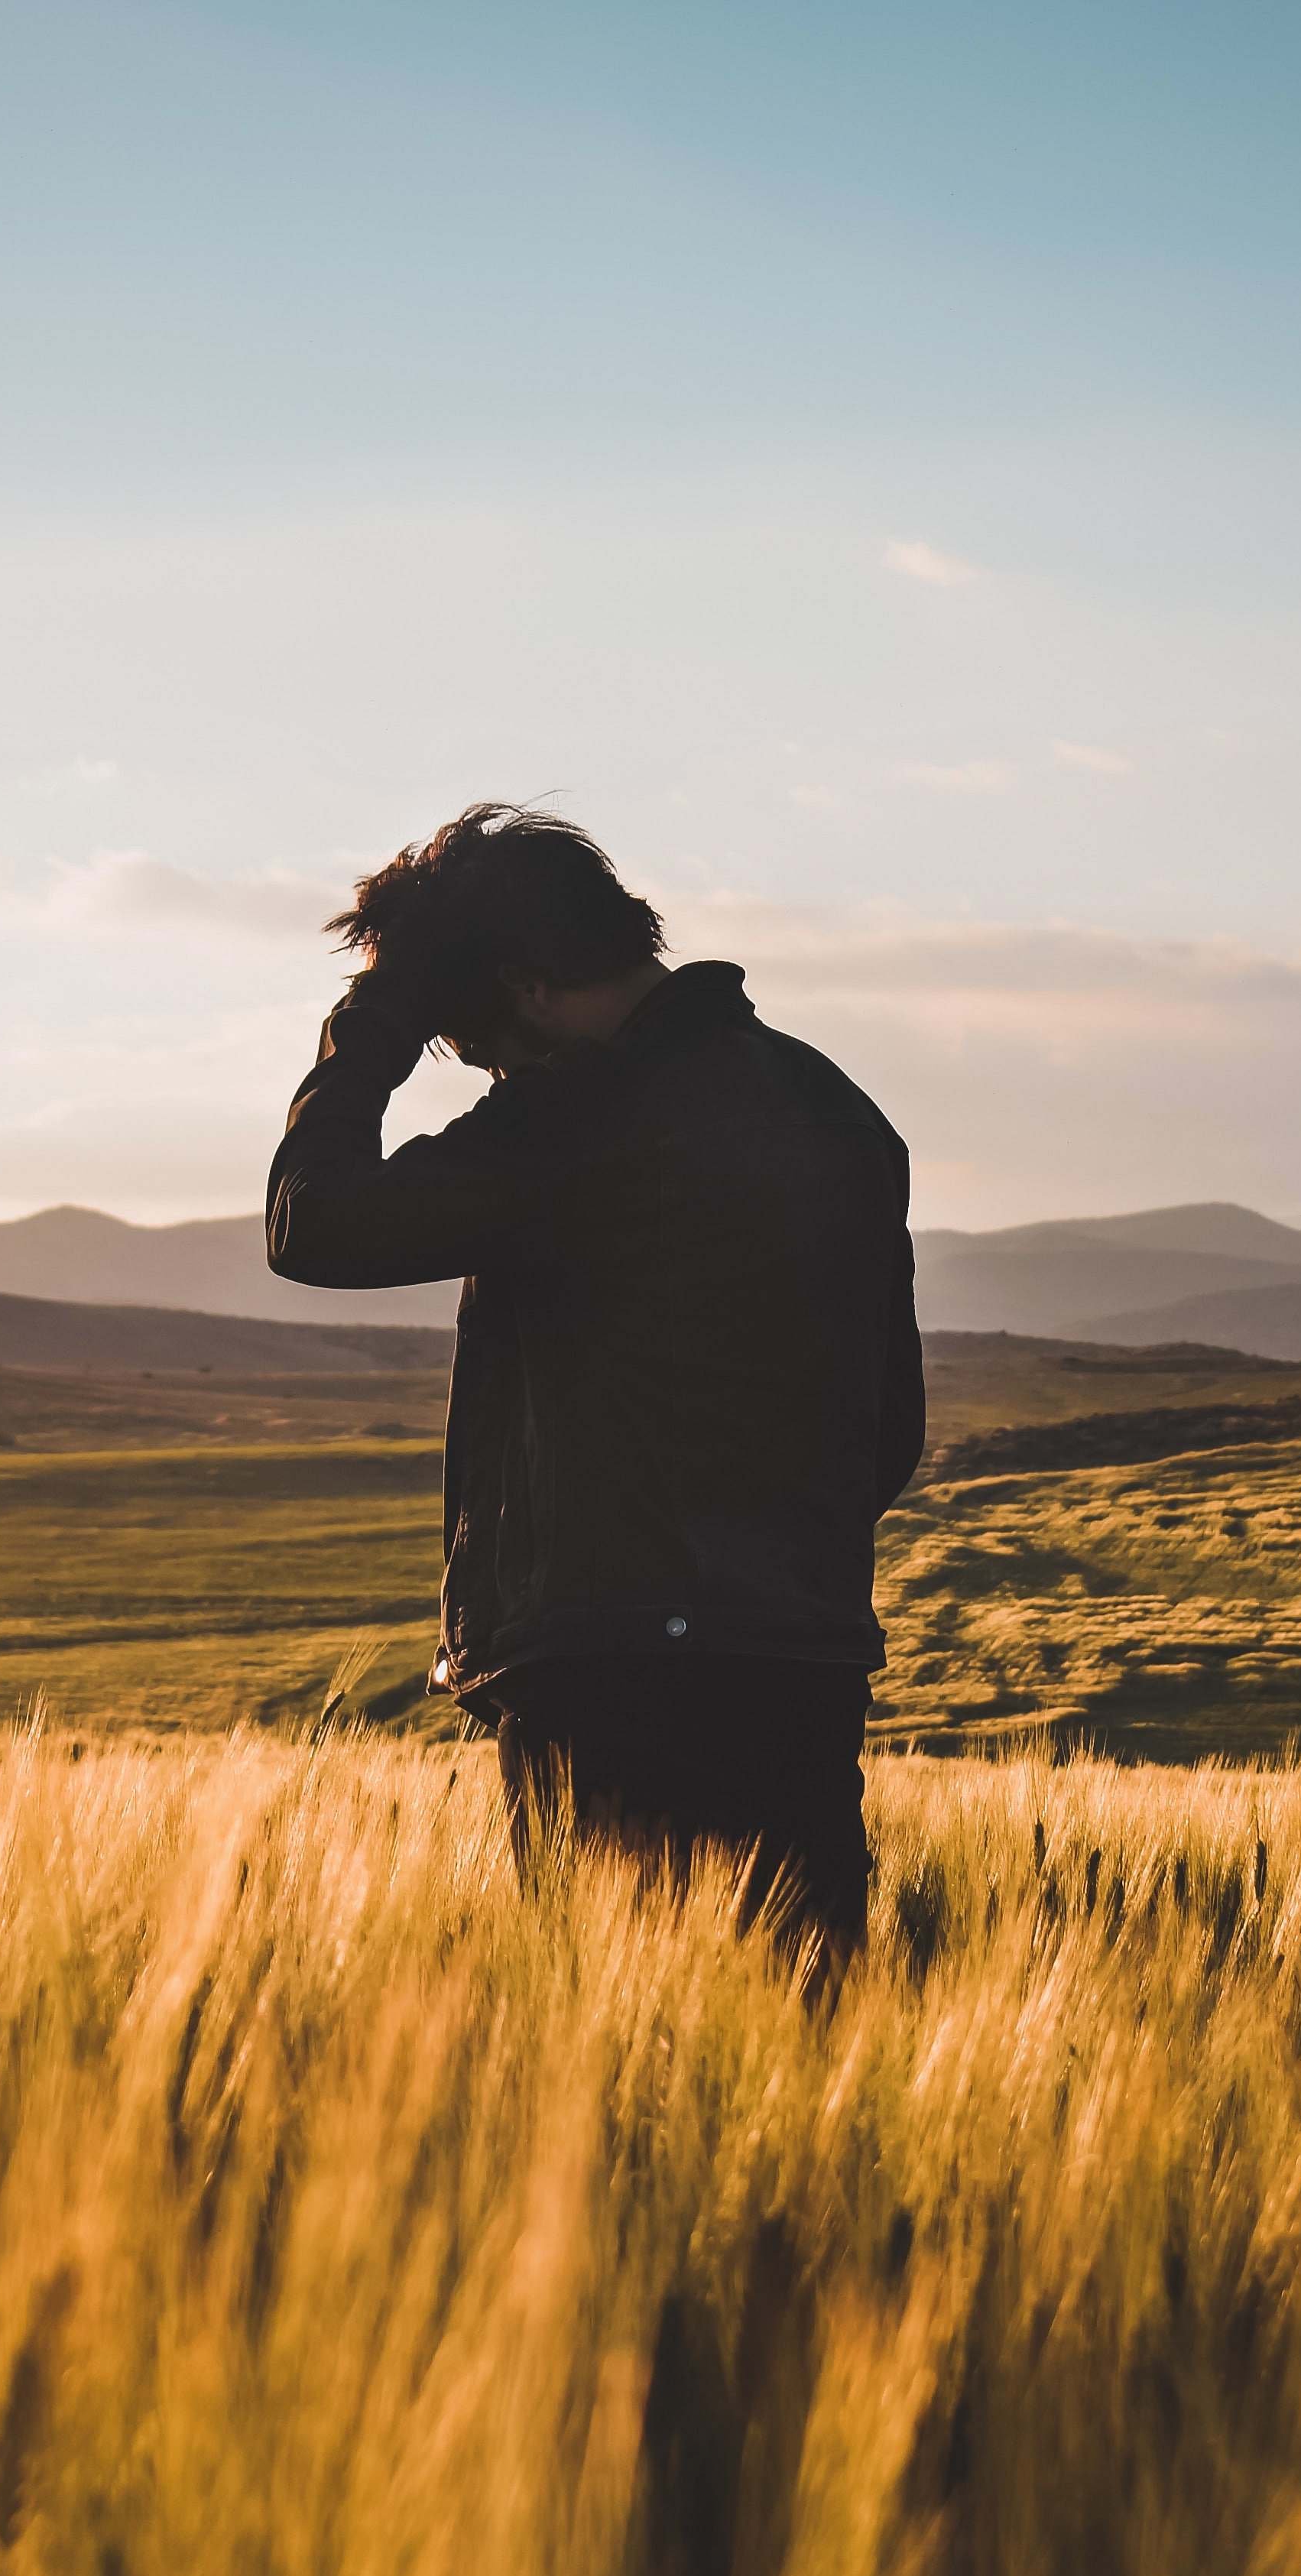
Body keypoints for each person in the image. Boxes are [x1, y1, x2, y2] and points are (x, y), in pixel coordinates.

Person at [265, 805, 924, 1966]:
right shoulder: (837, 1109)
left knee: (628, 2086)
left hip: (610, 1677)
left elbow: (314, 1223)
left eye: (474, 1052)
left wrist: (372, 1026)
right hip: (804, 1668)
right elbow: (891, 1426)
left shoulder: (574, 1121)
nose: (488, 1076)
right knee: (807, 2044)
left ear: (521, 990)